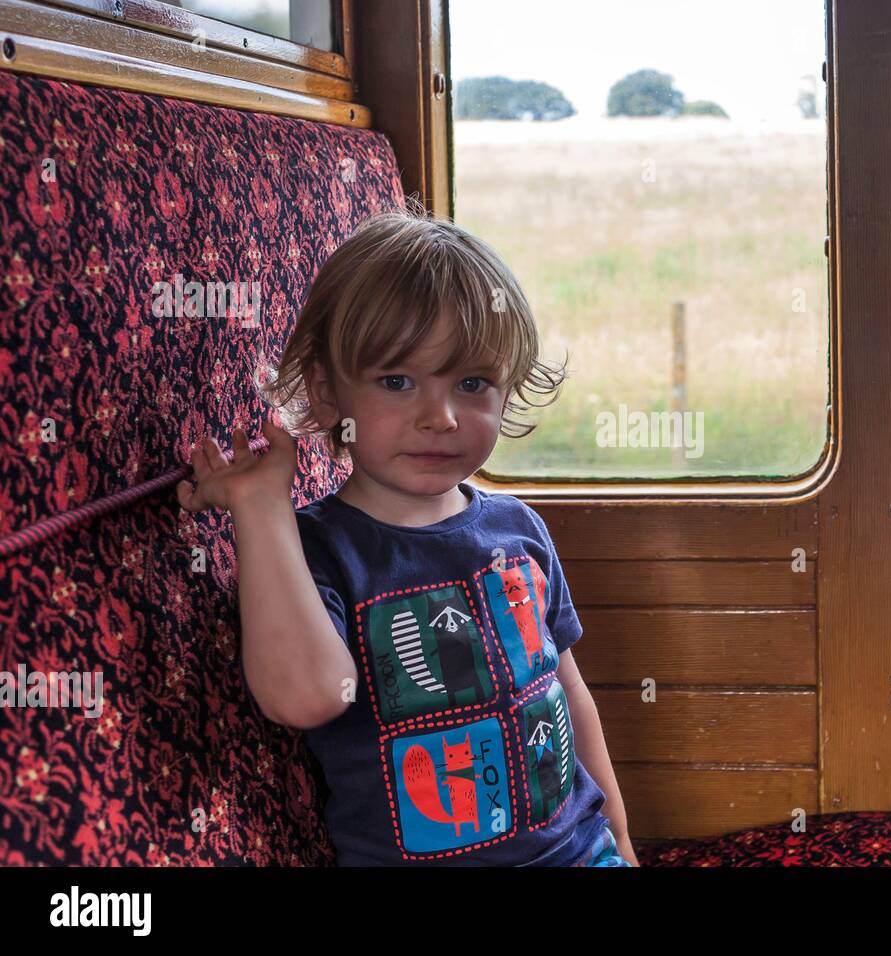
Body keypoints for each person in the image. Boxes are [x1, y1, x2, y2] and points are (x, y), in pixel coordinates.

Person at [177, 201, 636, 867]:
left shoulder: (520, 532)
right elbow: (305, 697)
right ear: (328, 394)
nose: (441, 417)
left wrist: (620, 838)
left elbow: (569, 695)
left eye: (472, 383)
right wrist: (260, 507)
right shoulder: (315, 553)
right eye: (397, 381)